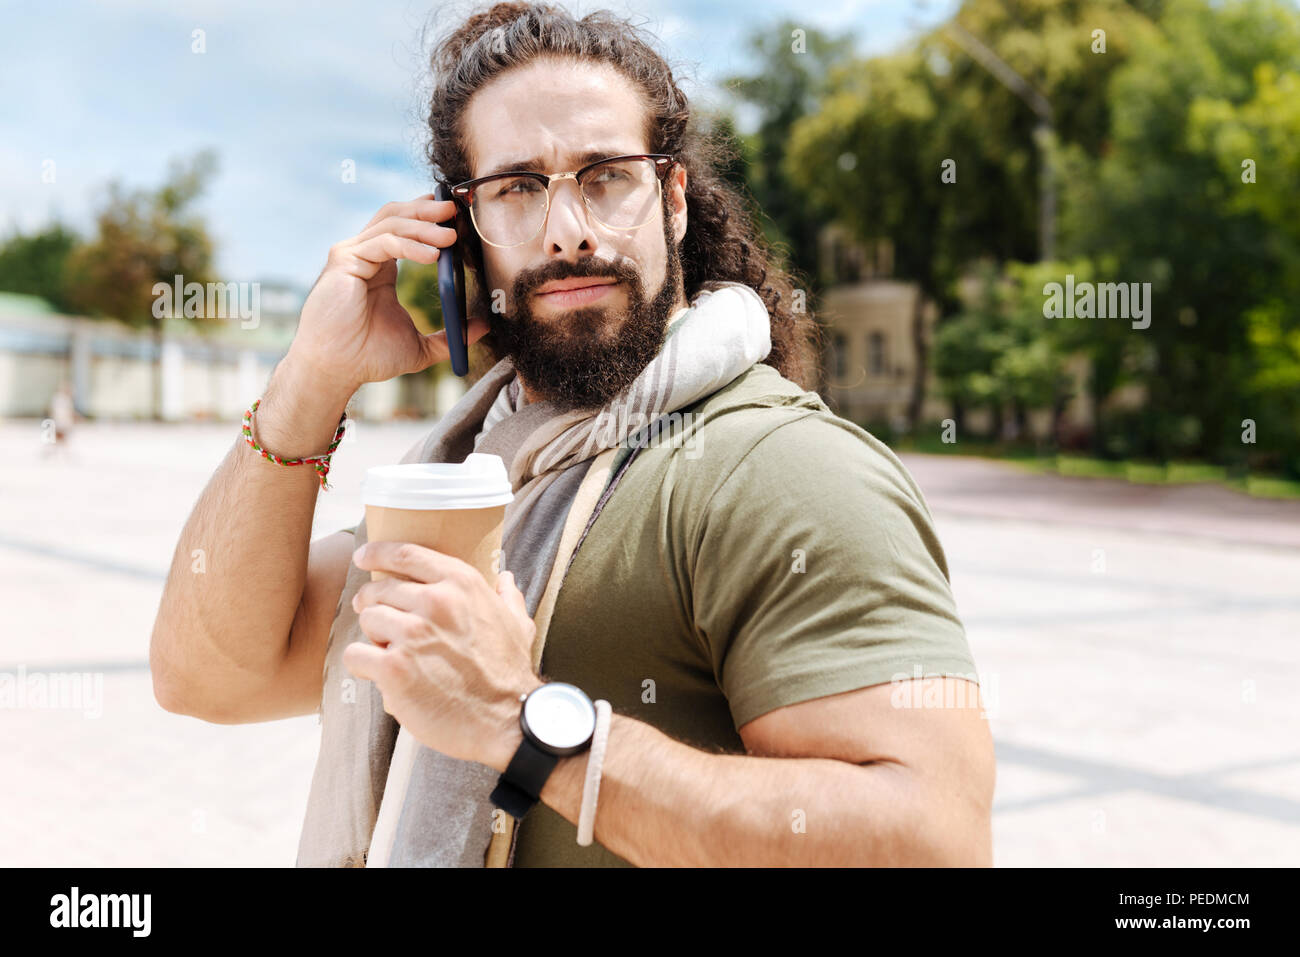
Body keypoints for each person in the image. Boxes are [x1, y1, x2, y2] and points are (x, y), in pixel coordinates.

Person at [150, 1, 994, 867]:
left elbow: (935, 841)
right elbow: (209, 676)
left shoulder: (778, 467)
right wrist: (308, 381)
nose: (567, 229)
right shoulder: (479, 473)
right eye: (516, 188)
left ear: (671, 201)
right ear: (460, 236)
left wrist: (521, 724)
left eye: (606, 176)